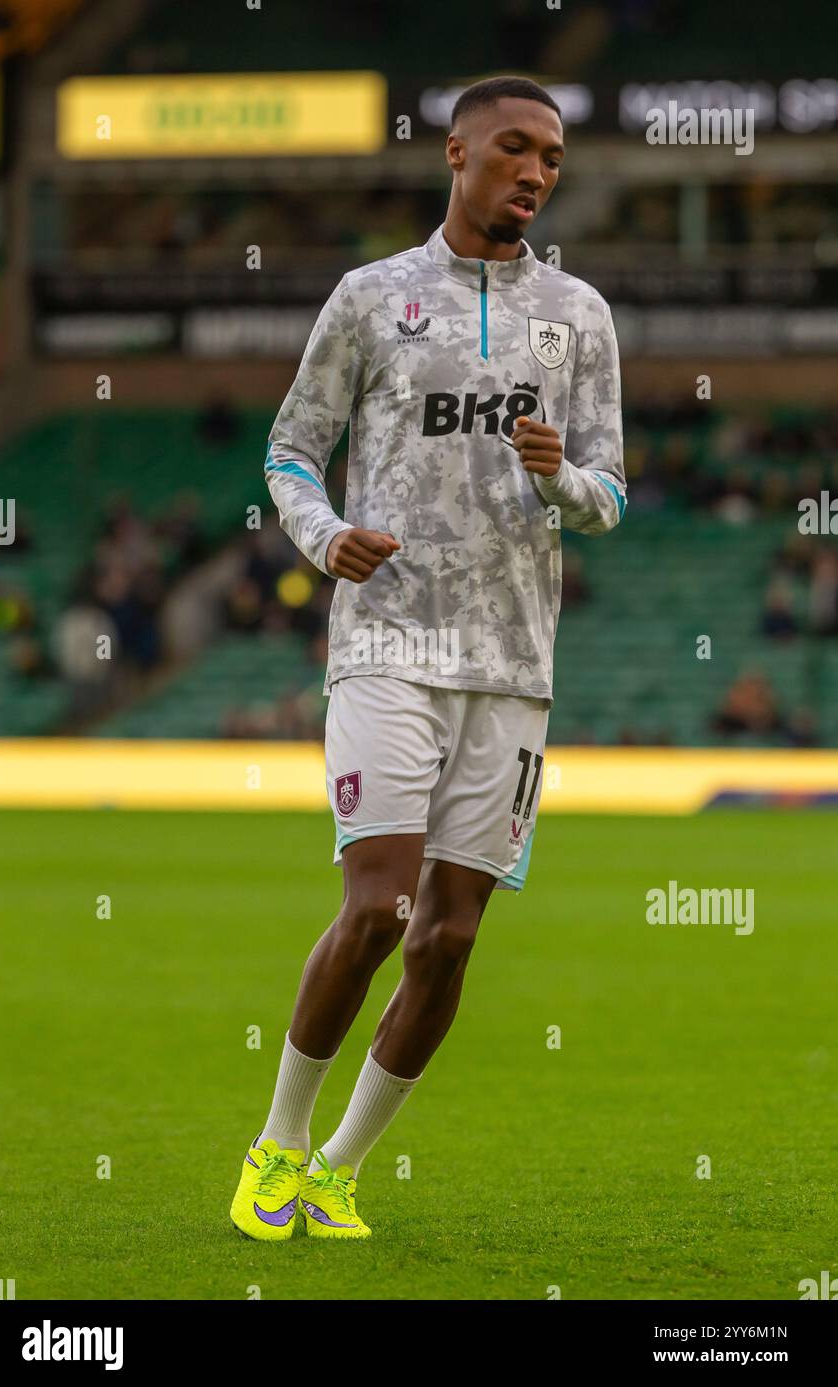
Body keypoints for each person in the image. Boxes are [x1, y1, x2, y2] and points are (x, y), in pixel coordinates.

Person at [230, 75, 626, 1242]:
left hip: (512, 664)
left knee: (448, 935)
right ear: (455, 152)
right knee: (377, 905)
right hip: (389, 643)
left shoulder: (580, 315)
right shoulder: (370, 297)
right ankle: (279, 1139)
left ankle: (340, 1167)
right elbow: (292, 448)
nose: (535, 171)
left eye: (550, 157)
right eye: (513, 148)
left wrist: (560, 477)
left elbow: (608, 492)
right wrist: (319, 535)